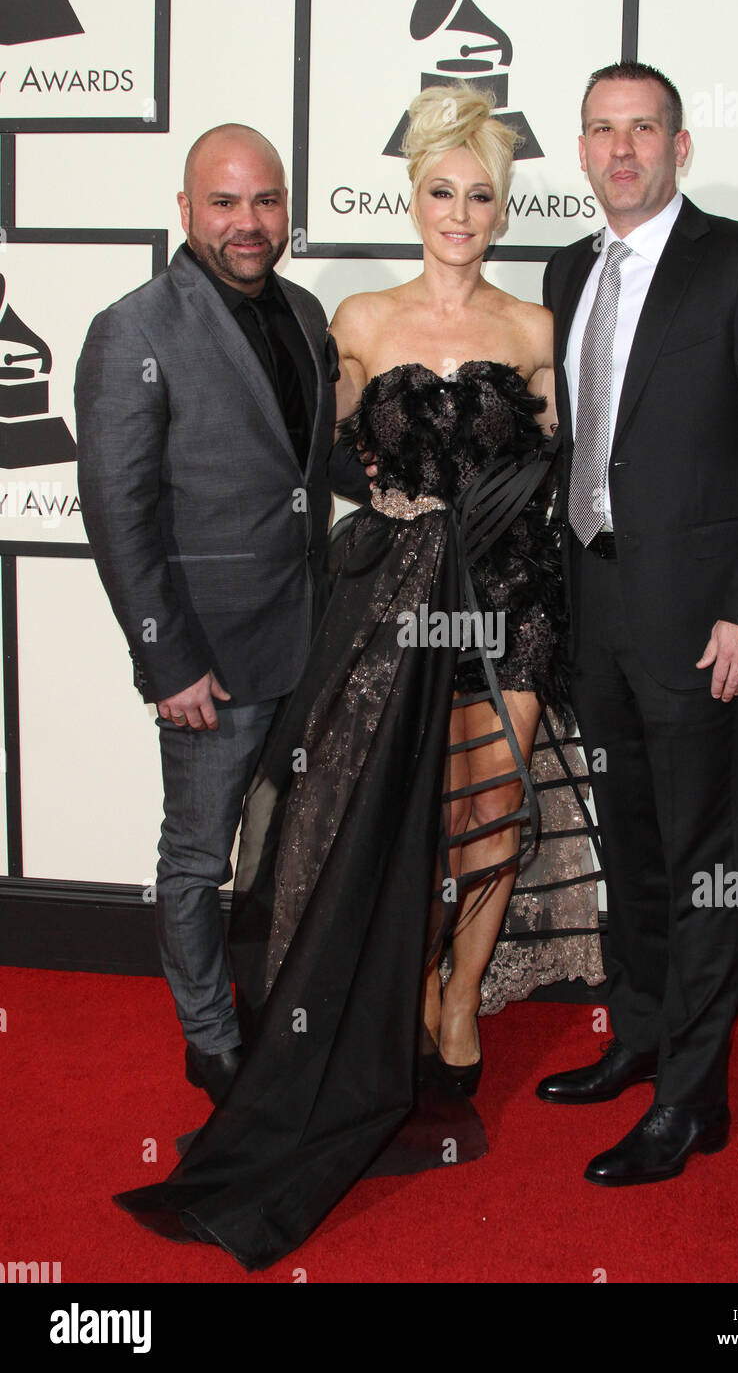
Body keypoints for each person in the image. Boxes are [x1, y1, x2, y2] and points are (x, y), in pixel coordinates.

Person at [112, 84, 603, 1270]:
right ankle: (369, 1008)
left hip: (511, 607)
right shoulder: (356, 318)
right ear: (413, 194)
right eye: (442, 189)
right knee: (402, 827)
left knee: (489, 824)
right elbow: (313, 462)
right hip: (394, 609)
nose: (461, 212)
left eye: (482, 194)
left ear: (501, 207)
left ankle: (453, 1011)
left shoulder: (537, 326)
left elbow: (557, 470)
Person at [536, 61, 738, 1185]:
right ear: (581, 147)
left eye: (641, 128)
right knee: (632, 844)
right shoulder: (566, 270)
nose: (620, 150)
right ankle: (641, 1035)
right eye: (601, 130)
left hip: (702, 621)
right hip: (594, 605)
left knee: (703, 859)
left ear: (678, 145)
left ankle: (691, 1100)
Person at [75, 124, 369, 1106]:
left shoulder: (301, 309)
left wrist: (414, 478)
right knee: (198, 858)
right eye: (225, 202)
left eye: (266, 201)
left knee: (292, 848)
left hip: (309, 637)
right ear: (187, 210)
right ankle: (210, 1040)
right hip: (208, 657)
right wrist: (168, 663)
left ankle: (283, 1008)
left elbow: (318, 459)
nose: (249, 223)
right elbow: (120, 512)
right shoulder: (135, 329)